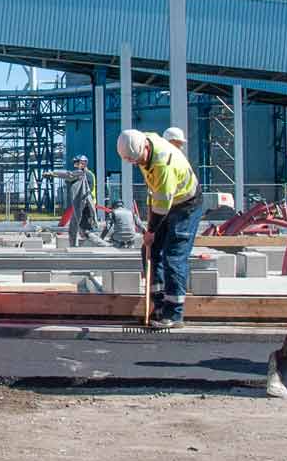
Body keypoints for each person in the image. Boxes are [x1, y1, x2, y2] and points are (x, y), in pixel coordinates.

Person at [115, 128, 203, 330]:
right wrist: (150, 230)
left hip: (186, 204)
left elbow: (162, 205)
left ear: (146, 146)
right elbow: (156, 196)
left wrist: (151, 231)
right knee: (152, 251)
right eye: (133, 161)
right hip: (167, 201)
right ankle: (159, 304)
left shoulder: (163, 163)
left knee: (173, 256)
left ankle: (174, 313)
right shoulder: (140, 143)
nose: (138, 164)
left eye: (138, 159)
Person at [46, 154, 98, 245]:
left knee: (85, 232)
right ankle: (74, 248)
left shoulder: (82, 173)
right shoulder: (88, 174)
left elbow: (69, 175)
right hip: (82, 205)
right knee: (73, 229)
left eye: (77, 163)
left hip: (84, 206)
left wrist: (53, 173)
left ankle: (105, 246)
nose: (75, 166)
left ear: (83, 164)